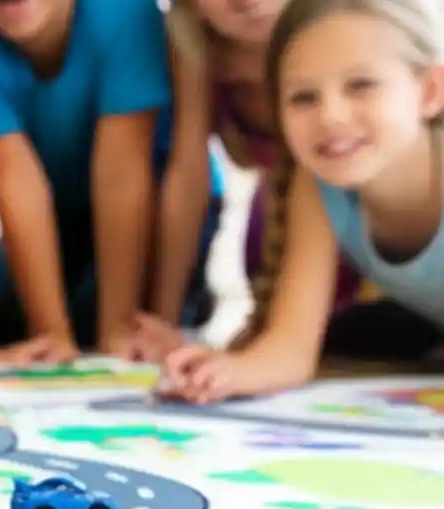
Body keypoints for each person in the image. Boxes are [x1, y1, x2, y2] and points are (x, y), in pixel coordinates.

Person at [162, 0, 444, 403]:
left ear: (430, 91)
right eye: (303, 97)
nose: (331, 116)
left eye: (361, 85)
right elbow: (291, 351)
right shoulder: (317, 185)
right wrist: (226, 372)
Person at [0, 0, 222, 365]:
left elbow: (122, 173)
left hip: (156, 201)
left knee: (103, 322)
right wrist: (51, 332)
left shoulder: (125, 12)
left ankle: (187, 297)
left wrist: (117, 328)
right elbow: (17, 181)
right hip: (59, 206)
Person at [137, 0, 367, 356]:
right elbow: (188, 175)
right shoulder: (195, 50)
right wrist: (165, 320)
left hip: (367, 215)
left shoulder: (339, 27)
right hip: (277, 222)